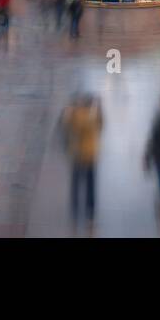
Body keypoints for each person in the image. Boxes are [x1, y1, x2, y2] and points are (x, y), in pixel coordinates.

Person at [60, 94, 103, 225]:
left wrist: (68, 113)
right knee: (90, 184)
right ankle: (90, 212)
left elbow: (65, 127)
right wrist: (97, 108)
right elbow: (99, 126)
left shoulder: (76, 115)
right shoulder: (93, 115)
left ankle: (75, 210)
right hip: (89, 154)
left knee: (76, 184)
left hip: (78, 154)